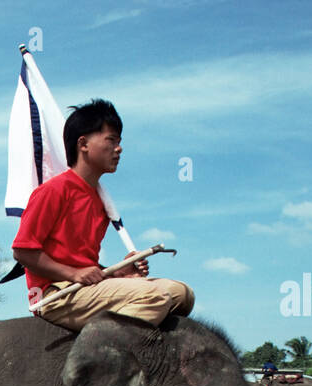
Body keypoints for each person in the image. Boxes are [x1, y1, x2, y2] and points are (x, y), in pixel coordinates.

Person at [12, 99, 194, 331]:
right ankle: (102, 356)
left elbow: (82, 262)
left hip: (86, 289)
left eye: (119, 142)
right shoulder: (54, 190)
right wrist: (73, 273)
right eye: (111, 140)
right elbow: (22, 251)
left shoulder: (101, 202)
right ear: (83, 144)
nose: (119, 149)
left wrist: (119, 272)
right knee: (154, 297)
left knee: (183, 294)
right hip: (56, 294)